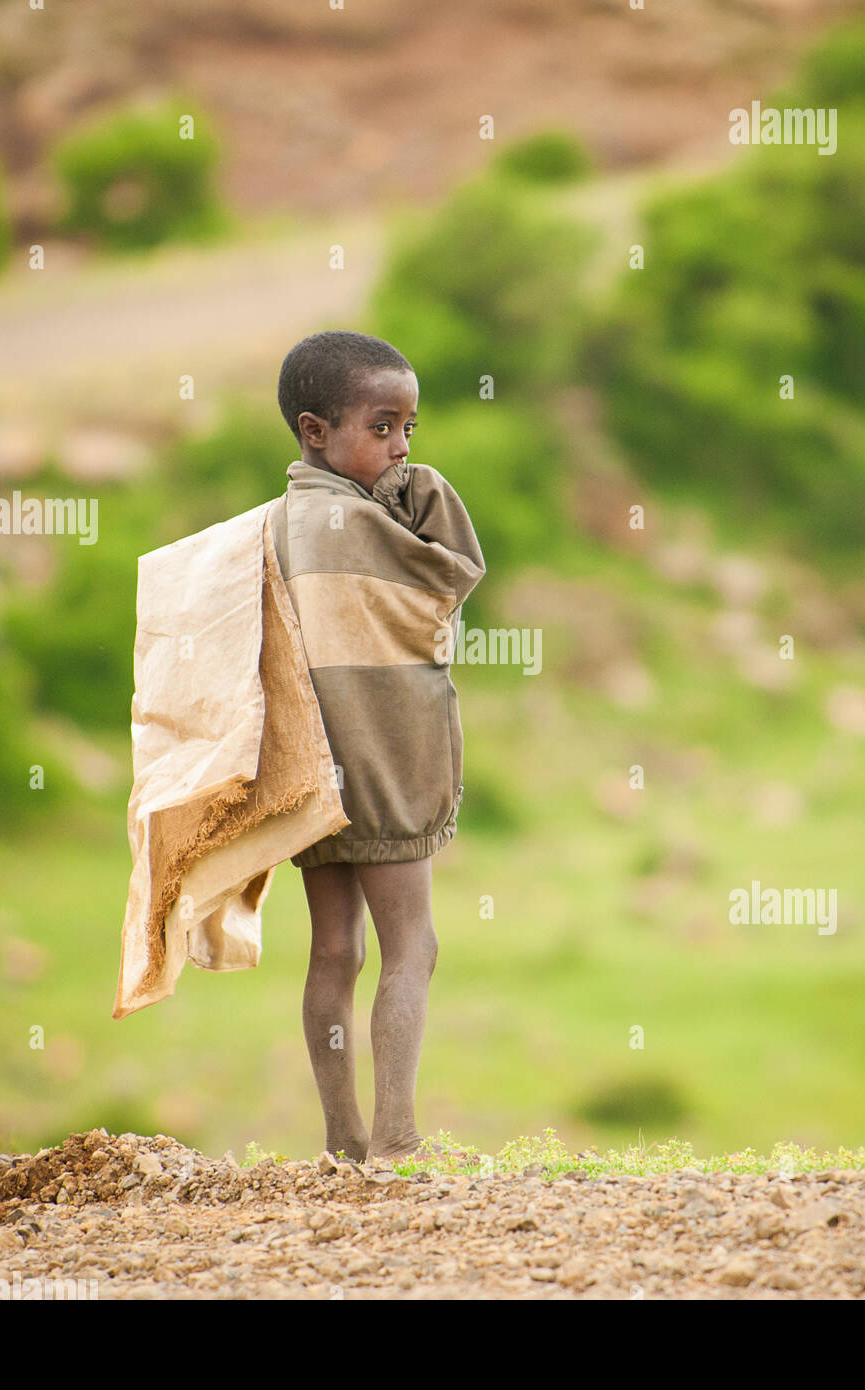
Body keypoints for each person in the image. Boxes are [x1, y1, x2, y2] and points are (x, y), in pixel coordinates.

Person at [272, 329, 486, 1164]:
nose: (400, 448)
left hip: (309, 769)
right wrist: (427, 494)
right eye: (382, 427)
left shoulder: (279, 522)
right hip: (383, 763)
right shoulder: (356, 520)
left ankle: (341, 1138)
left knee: (334, 949)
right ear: (314, 431)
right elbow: (449, 576)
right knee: (412, 945)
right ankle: (397, 1135)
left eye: (410, 433)